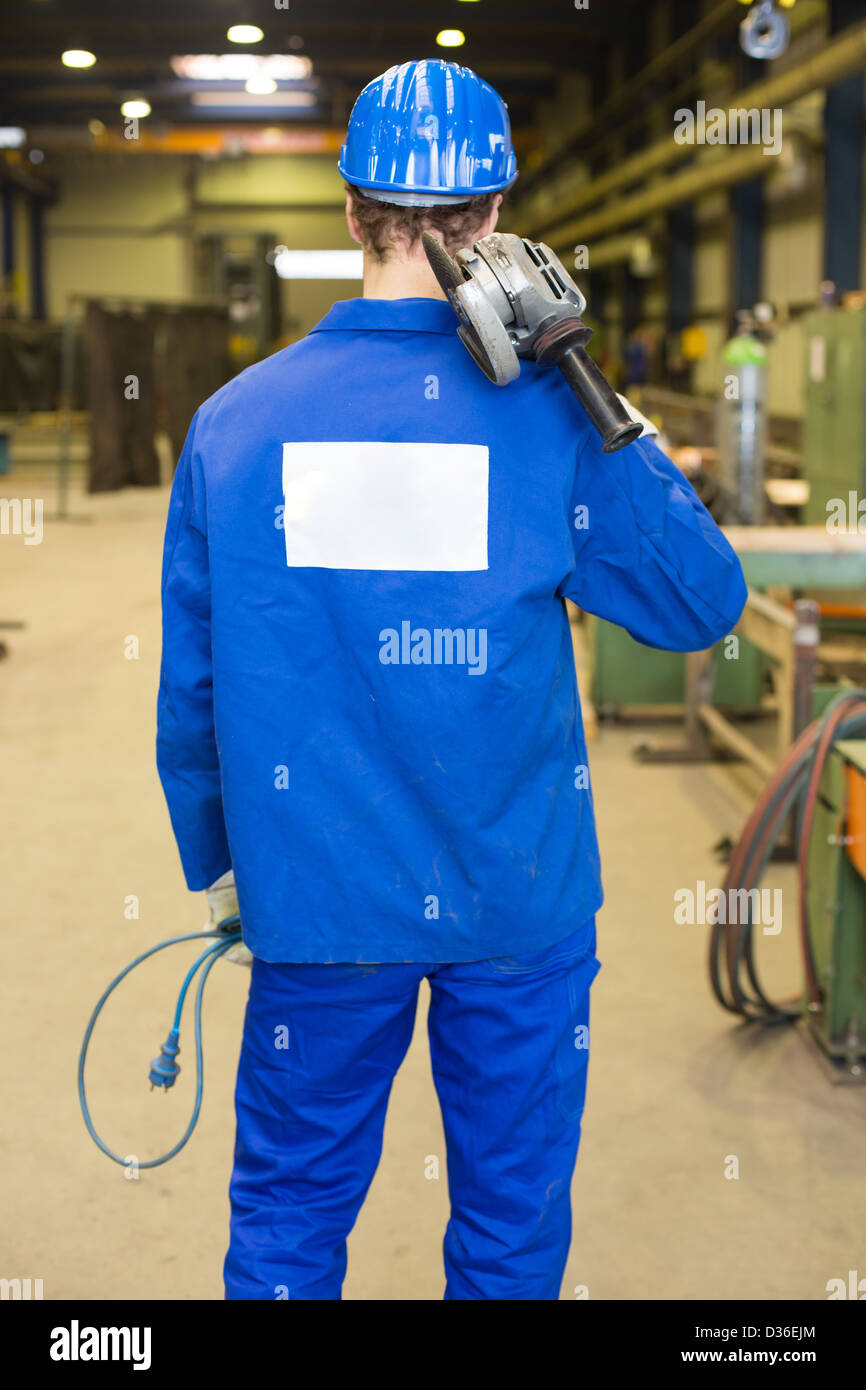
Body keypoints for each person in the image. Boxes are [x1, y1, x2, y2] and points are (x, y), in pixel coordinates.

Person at [157, 59, 747, 1301]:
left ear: (352, 208)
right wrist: (594, 393)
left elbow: (195, 692)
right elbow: (702, 603)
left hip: (315, 900)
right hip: (514, 903)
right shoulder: (553, 421)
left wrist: (227, 863)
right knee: (508, 1220)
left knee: (290, 1211)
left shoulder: (235, 423)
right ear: (492, 219)